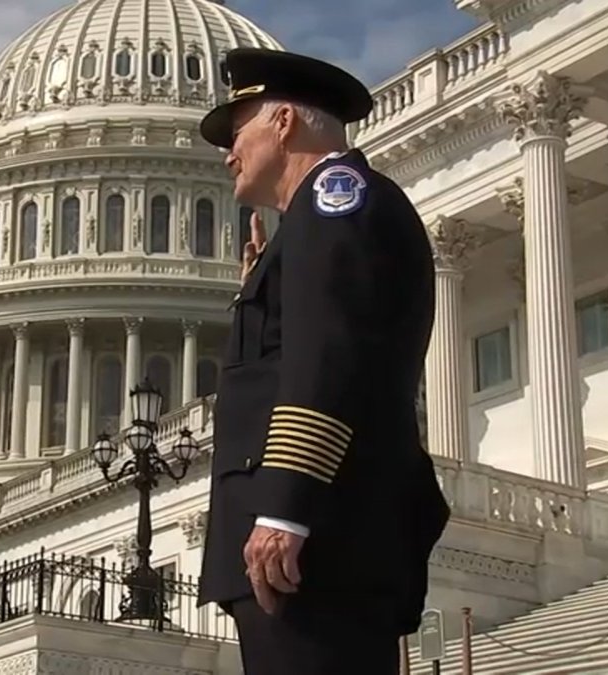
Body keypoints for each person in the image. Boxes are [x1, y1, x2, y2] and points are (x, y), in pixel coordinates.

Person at [195, 48, 451, 674]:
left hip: (316, 544)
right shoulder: (310, 224)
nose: (229, 152)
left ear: (283, 123)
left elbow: (326, 360)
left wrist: (285, 508)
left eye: (238, 131)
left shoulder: (334, 202)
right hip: (320, 540)